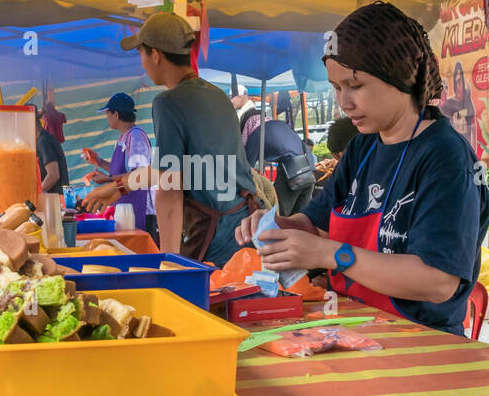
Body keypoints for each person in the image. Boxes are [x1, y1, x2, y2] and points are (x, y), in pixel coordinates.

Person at [237, 1, 489, 335]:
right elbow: (317, 225)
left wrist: (334, 255)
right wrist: (277, 227)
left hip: (421, 344)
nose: (344, 103)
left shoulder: (446, 158)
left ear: (401, 76)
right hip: (355, 327)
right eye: (337, 88)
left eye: (355, 85)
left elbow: (437, 281)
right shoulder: (363, 146)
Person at [84, 13, 256, 264]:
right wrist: (119, 186)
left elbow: (170, 184)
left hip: (216, 235)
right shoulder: (217, 95)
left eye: (141, 54)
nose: (142, 63)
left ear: (155, 54)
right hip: (247, 226)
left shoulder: (168, 102)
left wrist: (169, 262)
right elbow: (185, 171)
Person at [83, 92, 156, 239]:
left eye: (108, 113)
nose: (107, 118)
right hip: (125, 206)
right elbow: (123, 170)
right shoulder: (123, 136)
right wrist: (99, 162)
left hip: (140, 210)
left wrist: (108, 180)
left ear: (115, 115)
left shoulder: (135, 136)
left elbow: (139, 175)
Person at [244, 94, 317, 218]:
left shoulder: (258, 133)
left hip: (292, 173)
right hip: (309, 168)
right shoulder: (278, 124)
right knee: (301, 217)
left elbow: (246, 166)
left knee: (279, 216)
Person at [37, 109, 70, 195]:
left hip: (56, 199)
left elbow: (53, 175)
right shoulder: (41, 140)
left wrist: (37, 194)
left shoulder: (43, 141)